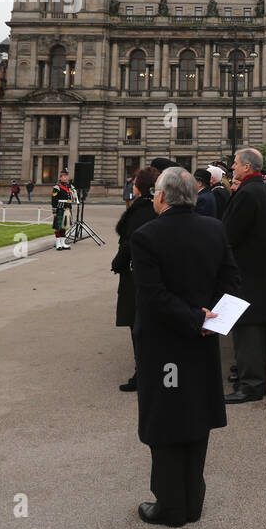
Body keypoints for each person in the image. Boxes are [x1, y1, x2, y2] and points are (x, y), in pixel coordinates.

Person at [130, 166, 240, 527]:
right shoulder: (214, 228)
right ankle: (192, 500)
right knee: (195, 417)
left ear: (161, 196)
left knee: (164, 422)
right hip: (202, 342)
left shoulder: (146, 235)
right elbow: (231, 282)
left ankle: (170, 506)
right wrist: (213, 321)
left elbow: (153, 297)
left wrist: (197, 319)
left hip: (166, 345)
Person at [221, 147, 266, 404]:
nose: (232, 167)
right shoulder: (258, 189)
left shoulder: (249, 192)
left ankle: (252, 385)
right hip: (255, 273)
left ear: (247, 167)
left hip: (248, 275)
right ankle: (248, 378)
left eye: (235, 163)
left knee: (248, 332)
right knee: (248, 331)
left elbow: (231, 234)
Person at [112, 167, 159, 392]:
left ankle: (143, 374)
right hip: (152, 275)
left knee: (139, 328)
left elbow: (131, 243)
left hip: (137, 277)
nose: (131, 185)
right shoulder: (157, 208)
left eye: (134, 181)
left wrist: (117, 263)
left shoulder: (140, 211)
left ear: (140, 186)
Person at [51, 169, 76, 250]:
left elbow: (71, 198)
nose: (66, 178)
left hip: (67, 208)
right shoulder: (57, 187)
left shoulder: (69, 187)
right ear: (60, 178)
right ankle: (58, 243)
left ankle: (63, 243)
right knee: (58, 226)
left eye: (66, 176)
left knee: (65, 226)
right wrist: (54, 211)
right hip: (60, 208)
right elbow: (54, 200)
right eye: (64, 177)